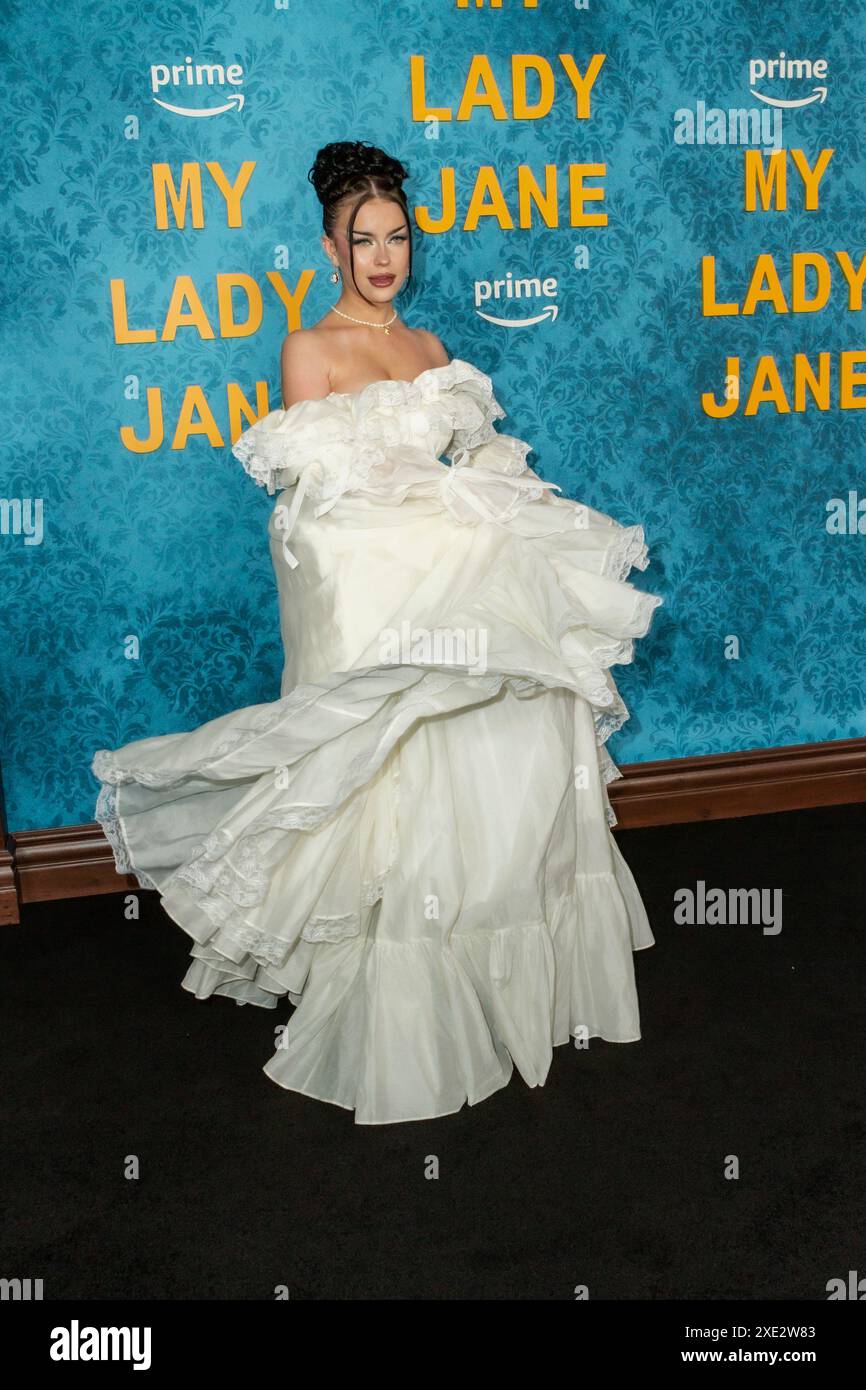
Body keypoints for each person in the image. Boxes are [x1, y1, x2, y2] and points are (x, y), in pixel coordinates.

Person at [92, 140, 664, 1126]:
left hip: (451, 583)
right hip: (376, 588)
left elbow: (478, 462)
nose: (384, 254)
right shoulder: (308, 352)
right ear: (329, 247)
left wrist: (497, 504)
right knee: (390, 740)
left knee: (513, 688)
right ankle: (396, 996)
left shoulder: (434, 353)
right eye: (364, 239)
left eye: (397, 236)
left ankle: (493, 974)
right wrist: (437, 526)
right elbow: (314, 510)